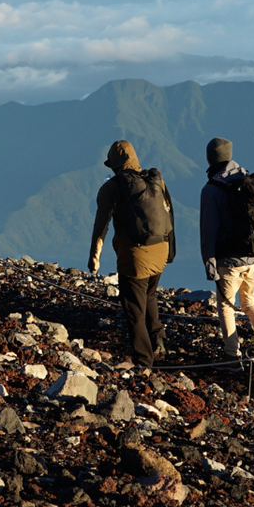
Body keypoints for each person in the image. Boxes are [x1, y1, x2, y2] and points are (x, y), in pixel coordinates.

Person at [87, 139, 175, 371]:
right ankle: (158, 339)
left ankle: (144, 362)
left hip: (136, 258)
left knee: (133, 310)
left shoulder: (112, 188)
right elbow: (169, 217)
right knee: (150, 294)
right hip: (161, 251)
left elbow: (101, 225)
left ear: (114, 164)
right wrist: (170, 252)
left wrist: (94, 257)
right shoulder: (155, 181)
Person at [200, 135, 254, 367]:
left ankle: (232, 355)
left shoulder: (212, 189)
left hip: (228, 260)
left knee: (226, 305)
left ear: (210, 158)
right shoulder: (248, 182)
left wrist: (209, 261)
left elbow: (208, 229)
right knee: (250, 301)